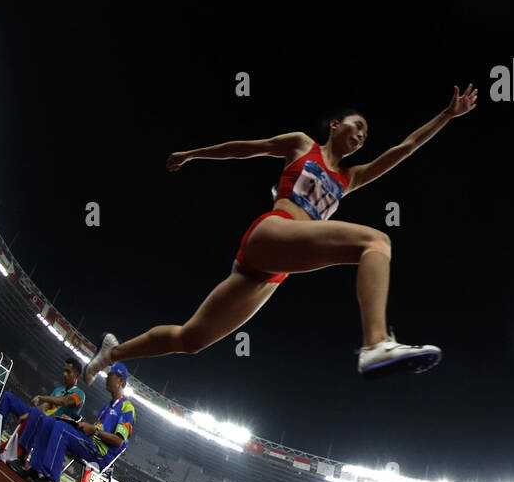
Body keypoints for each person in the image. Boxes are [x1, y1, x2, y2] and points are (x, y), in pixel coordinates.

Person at [85, 87, 477, 384]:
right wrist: (193, 154)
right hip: (272, 232)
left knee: (192, 339)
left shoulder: (350, 177)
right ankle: (376, 343)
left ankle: (111, 353)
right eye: (357, 127)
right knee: (377, 242)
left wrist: (446, 115)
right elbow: (245, 149)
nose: (361, 136)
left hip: (271, 271)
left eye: (366, 135)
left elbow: (405, 147)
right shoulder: (302, 144)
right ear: (335, 125)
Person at [24, 362, 135, 482]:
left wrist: (94, 431)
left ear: (120, 380)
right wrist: (76, 423)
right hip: (89, 443)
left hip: (100, 453)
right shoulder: (107, 407)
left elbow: (118, 441)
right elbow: (93, 430)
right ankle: (36, 470)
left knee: (61, 429)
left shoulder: (127, 407)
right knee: (49, 422)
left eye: (110, 375)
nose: (106, 378)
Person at [0, 359, 86, 471]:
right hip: (38, 417)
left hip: (52, 427)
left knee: (36, 414)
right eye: (64, 370)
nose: (65, 374)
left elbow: (64, 401)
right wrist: (30, 414)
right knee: (8, 397)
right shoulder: (58, 390)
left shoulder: (79, 394)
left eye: (68, 372)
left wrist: (41, 397)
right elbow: (45, 407)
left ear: (76, 375)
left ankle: (21, 456)